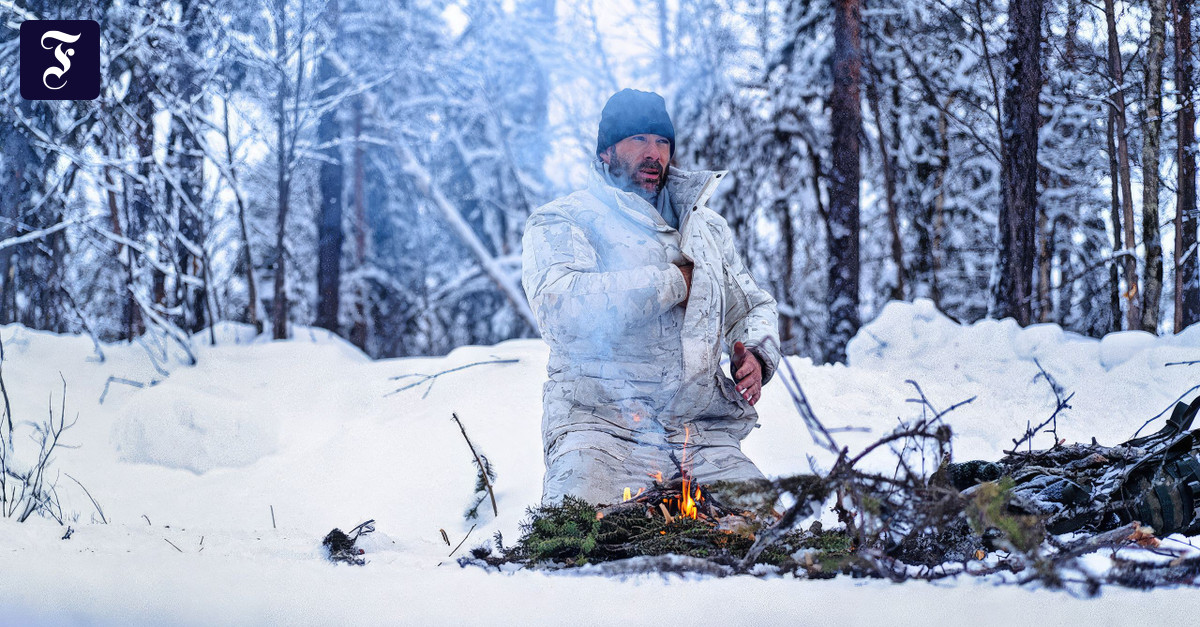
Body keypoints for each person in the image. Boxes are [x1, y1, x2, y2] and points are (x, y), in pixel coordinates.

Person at [521, 89, 782, 505]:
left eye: (662, 142)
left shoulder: (707, 229)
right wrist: (674, 282)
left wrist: (755, 353)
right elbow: (562, 309)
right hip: (599, 431)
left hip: (700, 436)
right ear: (607, 152)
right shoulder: (565, 219)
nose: (654, 153)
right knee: (575, 541)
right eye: (639, 139)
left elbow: (753, 306)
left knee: (771, 535)